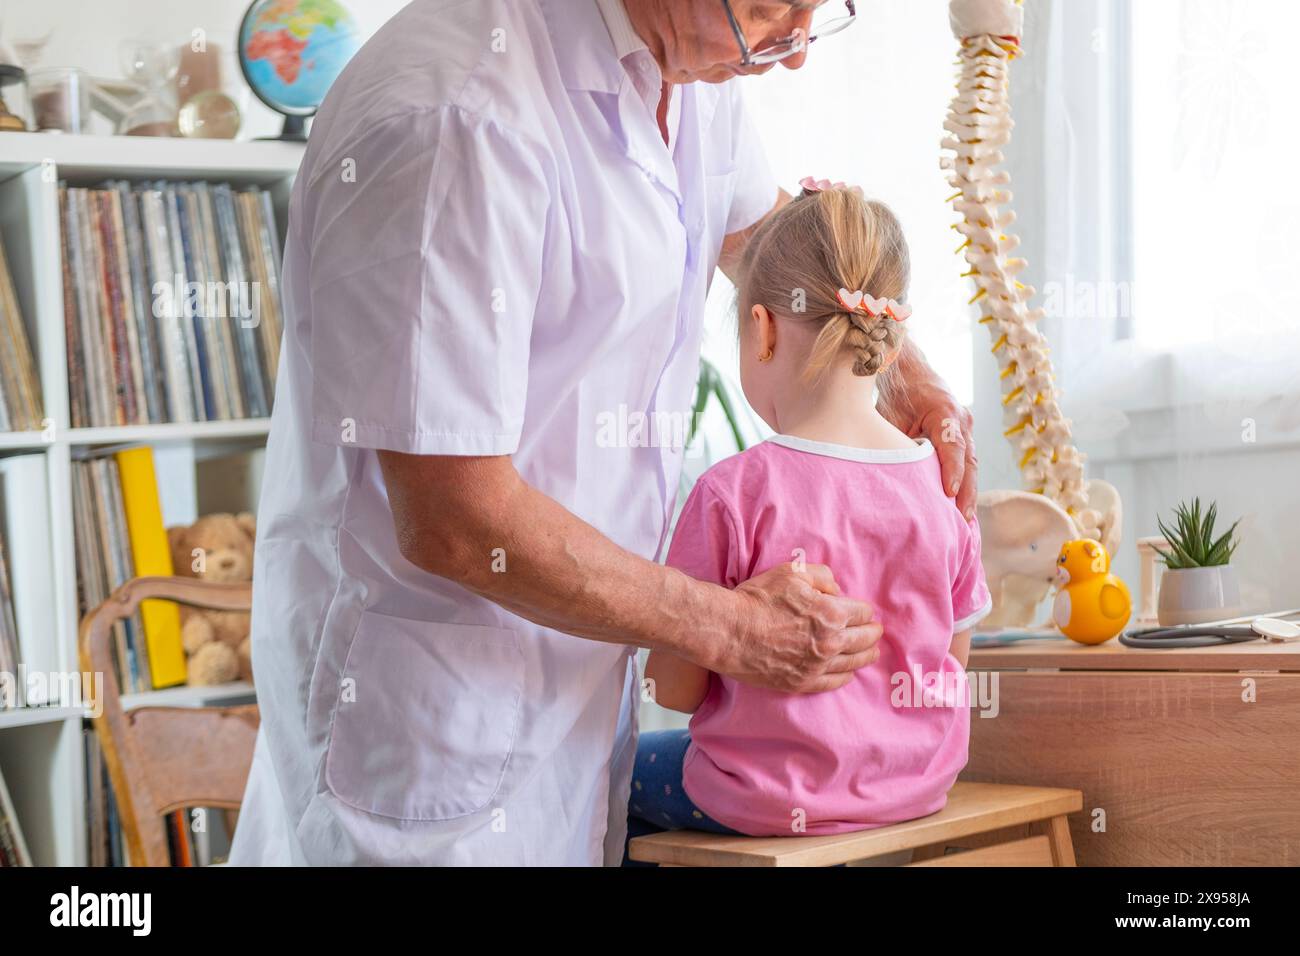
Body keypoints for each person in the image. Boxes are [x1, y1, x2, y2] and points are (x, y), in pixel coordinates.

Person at [230, 0, 978, 867]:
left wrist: (901, 365)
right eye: (777, 7)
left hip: (584, 700)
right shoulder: (454, 116)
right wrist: (731, 629)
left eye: (825, 8)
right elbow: (451, 516)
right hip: (434, 722)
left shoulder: (694, 64)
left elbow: (773, 244)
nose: (799, 51)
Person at [631, 186, 992, 846]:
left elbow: (672, 690)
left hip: (761, 799)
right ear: (887, 341)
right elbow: (953, 663)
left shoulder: (732, 492)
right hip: (916, 790)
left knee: (615, 776)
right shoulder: (942, 485)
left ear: (763, 329)